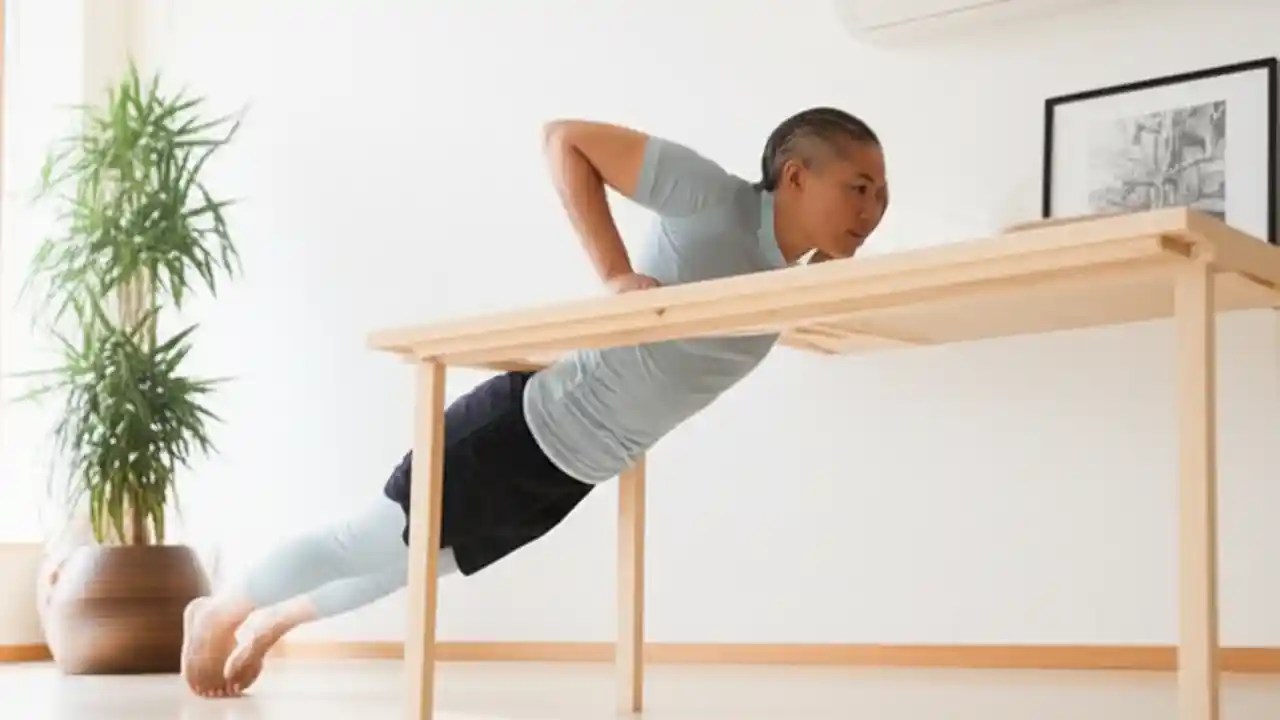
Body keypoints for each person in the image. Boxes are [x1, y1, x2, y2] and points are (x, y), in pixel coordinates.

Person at [180, 106, 890, 698]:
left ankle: (272, 625)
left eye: (882, 196)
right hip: (521, 429)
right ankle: (219, 610)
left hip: (576, 473)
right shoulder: (713, 198)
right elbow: (565, 139)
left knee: (412, 566)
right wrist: (614, 274)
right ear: (796, 176)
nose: (874, 210)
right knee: (369, 539)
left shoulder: (786, 282)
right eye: (860, 188)